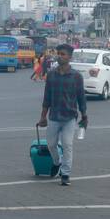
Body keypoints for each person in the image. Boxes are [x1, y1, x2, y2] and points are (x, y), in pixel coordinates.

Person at [36, 43, 88, 186]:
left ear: (69, 57)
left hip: (69, 118)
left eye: (63, 54)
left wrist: (84, 116)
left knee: (67, 145)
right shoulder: (52, 75)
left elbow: (81, 98)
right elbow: (47, 98)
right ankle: (57, 162)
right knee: (51, 145)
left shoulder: (76, 76)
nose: (60, 56)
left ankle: (65, 174)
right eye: (59, 53)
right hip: (54, 117)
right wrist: (42, 117)